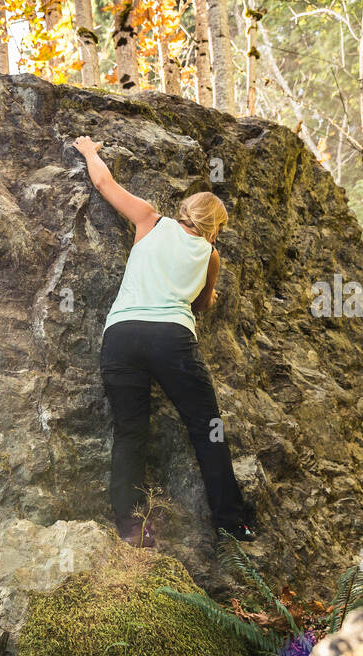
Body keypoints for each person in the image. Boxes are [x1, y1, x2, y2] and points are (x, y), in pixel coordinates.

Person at [73, 135, 256, 548]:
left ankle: (131, 529)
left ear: (185, 212)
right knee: (207, 429)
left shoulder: (150, 220)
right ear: (215, 226)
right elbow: (204, 303)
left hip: (121, 335)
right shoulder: (210, 256)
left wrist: (89, 151)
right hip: (171, 339)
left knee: (130, 432)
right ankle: (231, 522)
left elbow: (104, 185)